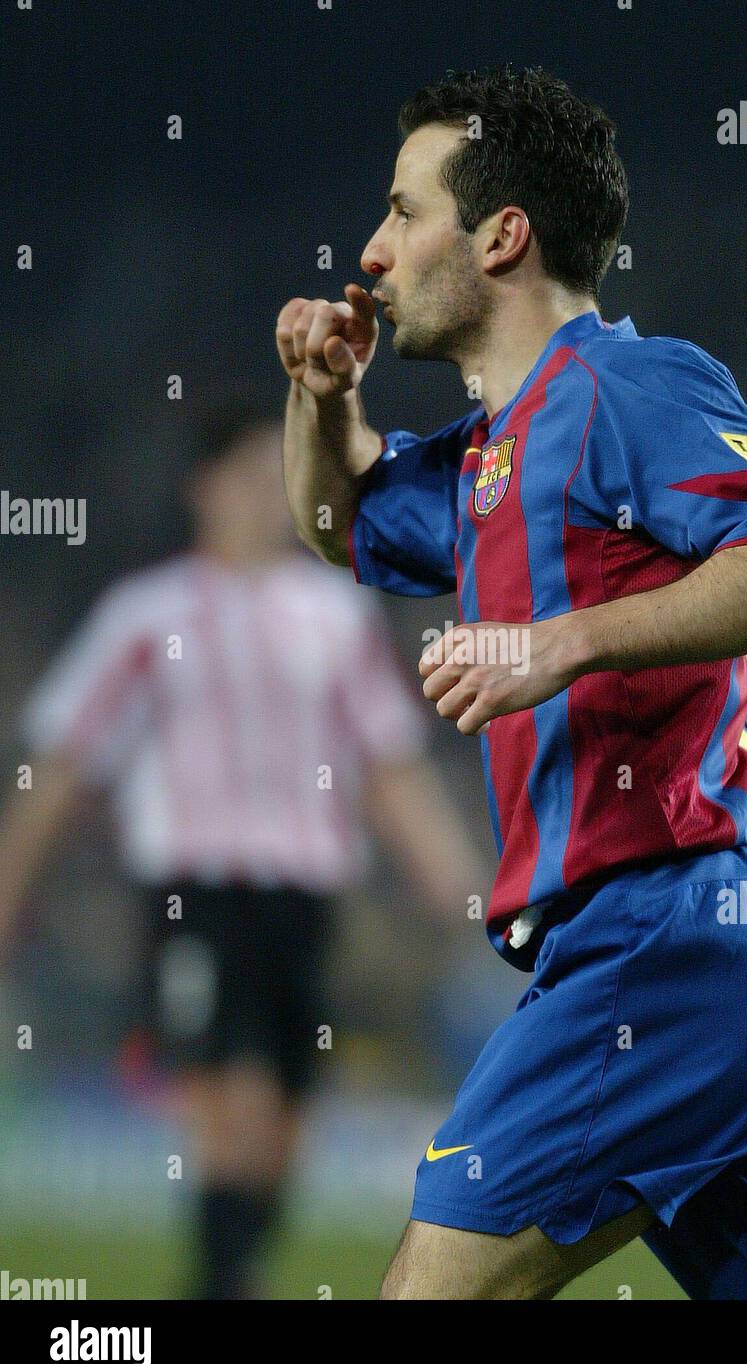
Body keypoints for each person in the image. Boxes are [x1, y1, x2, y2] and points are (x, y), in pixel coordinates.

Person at [275, 65, 747, 1301]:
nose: (372, 250)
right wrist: (324, 400)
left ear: (501, 236)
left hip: (668, 941)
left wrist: (557, 642)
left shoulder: (630, 385)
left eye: (404, 211)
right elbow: (336, 525)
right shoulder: (490, 453)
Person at [0, 403, 485, 1299]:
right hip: (196, 894)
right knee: (233, 1105)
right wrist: (8, 892)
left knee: (285, 1126)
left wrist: (460, 889)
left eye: (281, 479)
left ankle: (225, 1274)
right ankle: (229, 1281)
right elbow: (65, 766)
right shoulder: (145, 616)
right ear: (205, 487)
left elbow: (389, 768)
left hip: (304, 902)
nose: (269, 497)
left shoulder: (334, 616)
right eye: (252, 477)